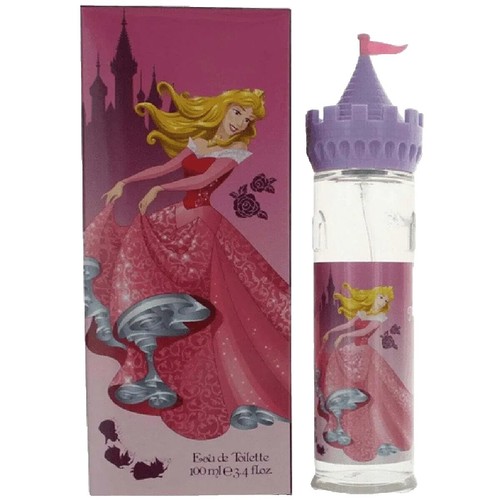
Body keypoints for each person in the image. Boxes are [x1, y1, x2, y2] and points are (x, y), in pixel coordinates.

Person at [84, 83, 290, 440]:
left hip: (202, 222)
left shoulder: (235, 153)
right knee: (136, 243)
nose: (240, 122)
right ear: (223, 109)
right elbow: (166, 167)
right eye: (237, 112)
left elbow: (205, 179)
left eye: (247, 119)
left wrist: (160, 190)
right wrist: (126, 181)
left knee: (211, 293)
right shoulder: (199, 142)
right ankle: (115, 318)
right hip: (180, 215)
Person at [317, 283, 412, 462]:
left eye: (385, 300)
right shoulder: (362, 313)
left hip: (363, 352)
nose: (383, 301)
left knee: (372, 387)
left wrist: (344, 336)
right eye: (381, 297)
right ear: (372, 297)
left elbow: (364, 331)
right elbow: (348, 325)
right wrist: (331, 331)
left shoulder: (379, 318)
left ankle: (373, 430)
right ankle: (342, 415)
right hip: (351, 350)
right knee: (337, 365)